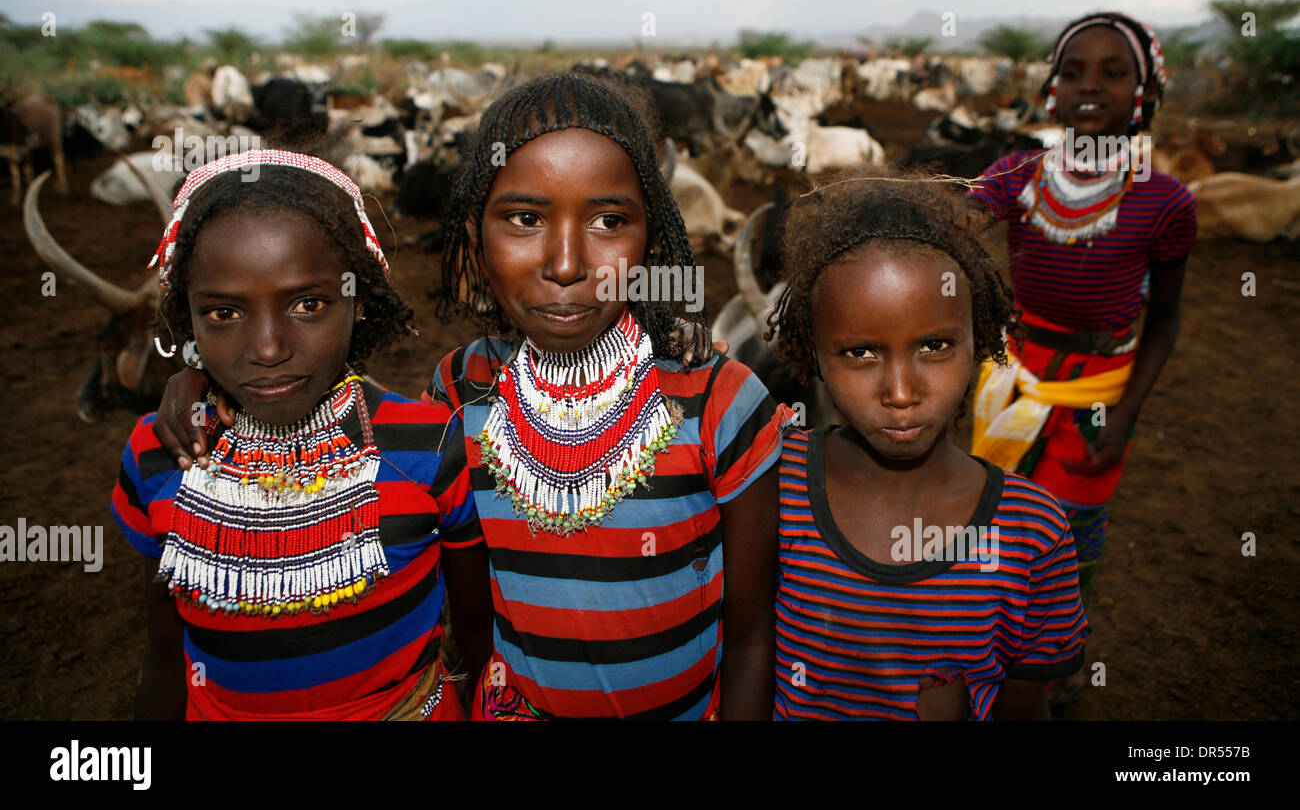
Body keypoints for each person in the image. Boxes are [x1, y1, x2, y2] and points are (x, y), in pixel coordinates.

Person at [426, 71, 790, 720]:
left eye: (608, 220)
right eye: (526, 218)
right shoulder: (458, 393)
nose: (566, 263)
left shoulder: (721, 404)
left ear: (650, 242)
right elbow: (469, 620)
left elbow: (753, 635)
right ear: (475, 236)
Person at [112, 149, 492, 720]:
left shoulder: (431, 447)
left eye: (308, 304)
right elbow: (165, 659)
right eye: (222, 313)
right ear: (183, 315)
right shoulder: (161, 455)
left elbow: (480, 645)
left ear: (358, 299)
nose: (268, 348)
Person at [768, 173, 1088, 720]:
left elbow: (1024, 709)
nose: (900, 392)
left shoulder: (1032, 530)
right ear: (814, 352)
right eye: (861, 352)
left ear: (982, 338)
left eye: (935, 345)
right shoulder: (771, 484)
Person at [968, 12, 1197, 703]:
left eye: (1112, 72)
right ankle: (982, 640)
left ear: (1144, 94)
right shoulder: (1016, 174)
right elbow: (948, 222)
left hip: (1095, 396)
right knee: (993, 511)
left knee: (1072, 529)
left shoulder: (1165, 203)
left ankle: (1058, 656)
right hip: (1010, 382)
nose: (1088, 86)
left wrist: (1126, 417)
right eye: (1071, 72)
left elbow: (1167, 318)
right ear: (1050, 93)